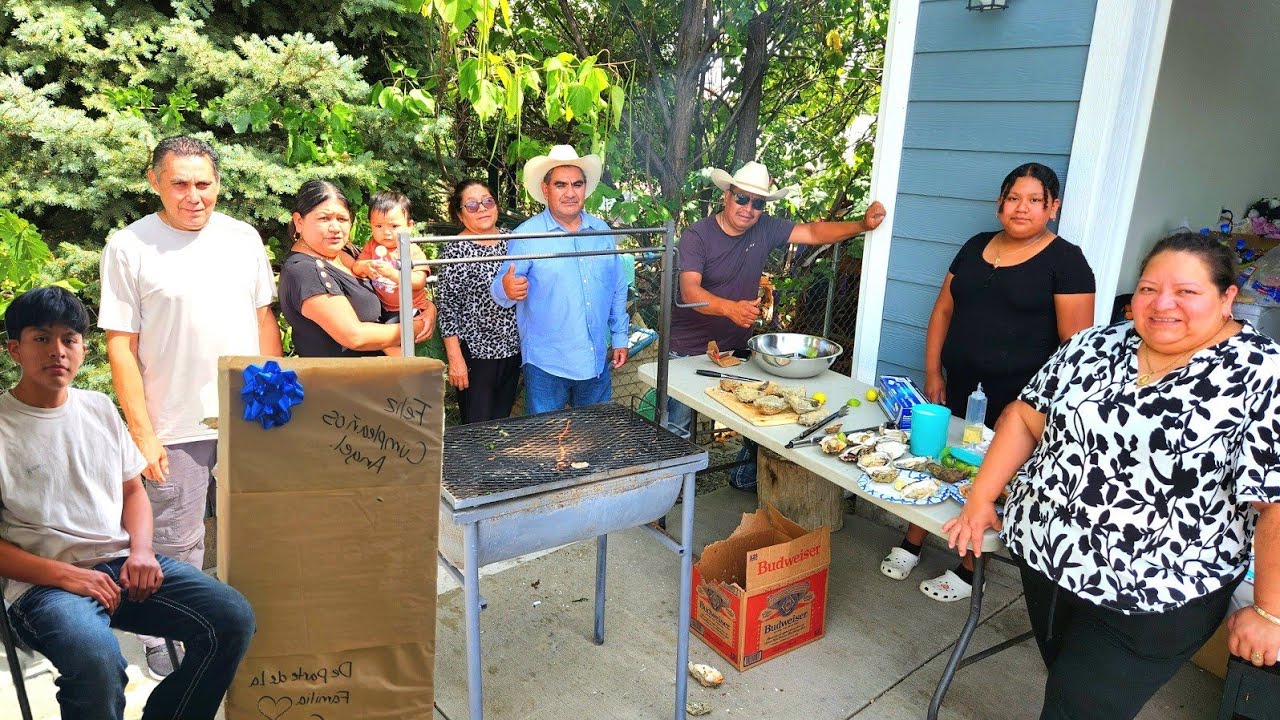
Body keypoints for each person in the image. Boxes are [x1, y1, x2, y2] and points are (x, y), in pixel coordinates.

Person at [944, 232, 1280, 719]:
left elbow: (1274, 502)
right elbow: (1023, 416)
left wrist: (1270, 610)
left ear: (1227, 297)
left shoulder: (1262, 374)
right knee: (1065, 684)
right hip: (1048, 562)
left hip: (1154, 595)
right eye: (1148, 289)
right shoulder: (1093, 345)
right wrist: (981, 499)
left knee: (1075, 708)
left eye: (1186, 291)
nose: (1163, 304)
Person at [1, 287, 255, 720]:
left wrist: (140, 551)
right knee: (96, 662)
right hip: (43, 586)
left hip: (120, 564)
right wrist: (68, 575)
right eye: (41, 338)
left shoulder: (98, 408)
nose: (57, 351)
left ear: (82, 348)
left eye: (69, 339)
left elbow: (132, 490)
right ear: (15, 350)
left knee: (231, 618)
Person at [98, 136, 279, 678]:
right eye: (180, 183)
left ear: (218, 183)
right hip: (174, 424)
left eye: (204, 183)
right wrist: (143, 432)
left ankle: (235, 622)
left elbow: (263, 322)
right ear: (154, 181)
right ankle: (164, 634)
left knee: (252, 526)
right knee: (175, 540)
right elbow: (119, 346)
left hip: (248, 415)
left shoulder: (243, 238)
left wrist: (273, 403)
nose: (193, 195)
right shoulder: (129, 247)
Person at [881, 162, 1095, 602]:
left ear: (1052, 208)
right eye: (1014, 197)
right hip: (958, 382)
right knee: (934, 457)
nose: (1022, 208)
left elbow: (1077, 349)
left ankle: (968, 565)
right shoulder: (975, 246)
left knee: (988, 477)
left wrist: (1041, 409)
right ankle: (914, 541)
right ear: (1000, 204)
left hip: (1017, 401)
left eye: (1035, 200)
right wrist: (933, 370)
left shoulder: (1067, 261)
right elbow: (943, 310)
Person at [668, 160, 886, 488]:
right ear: (727, 195)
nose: (749, 208)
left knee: (756, 412)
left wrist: (862, 225)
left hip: (736, 346)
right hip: (687, 346)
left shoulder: (765, 227)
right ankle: (665, 500)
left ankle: (744, 478)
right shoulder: (698, 235)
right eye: (742, 199)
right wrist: (730, 309)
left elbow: (812, 232)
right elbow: (690, 291)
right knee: (678, 426)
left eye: (758, 203)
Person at [490, 145, 629, 413]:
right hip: (547, 364)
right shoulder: (527, 235)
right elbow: (500, 289)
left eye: (577, 184)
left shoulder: (601, 232)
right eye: (560, 185)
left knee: (595, 435)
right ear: (545, 190)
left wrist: (620, 335)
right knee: (545, 440)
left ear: (585, 188)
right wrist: (506, 288)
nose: (570, 192)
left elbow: (617, 287)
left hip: (595, 359)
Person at [278, 180, 432, 358]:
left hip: (383, 379)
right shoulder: (304, 271)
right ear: (299, 221)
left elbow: (408, 285)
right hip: (343, 382)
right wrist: (417, 326)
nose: (335, 228)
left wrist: (429, 310)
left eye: (342, 219)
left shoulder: (347, 252)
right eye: (324, 218)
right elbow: (355, 336)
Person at [437, 179, 521, 423]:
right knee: (476, 425)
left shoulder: (513, 240)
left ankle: (494, 462)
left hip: (513, 350)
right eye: (472, 205)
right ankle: (474, 462)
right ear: (460, 215)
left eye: (487, 201)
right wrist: (456, 360)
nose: (482, 209)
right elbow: (448, 309)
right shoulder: (455, 250)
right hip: (476, 354)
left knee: (501, 420)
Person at [349, 191, 438, 355]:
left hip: (410, 308)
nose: (386, 232)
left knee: (390, 336)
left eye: (394, 226)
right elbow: (356, 267)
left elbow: (419, 281)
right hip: (384, 307)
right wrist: (365, 267)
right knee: (375, 330)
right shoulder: (372, 246)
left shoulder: (412, 250)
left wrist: (392, 274)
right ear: (371, 225)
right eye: (378, 226)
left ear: (409, 226)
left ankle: (407, 364)